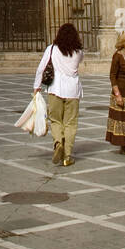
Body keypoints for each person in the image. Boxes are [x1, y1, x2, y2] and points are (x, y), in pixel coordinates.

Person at [34, 22, 83, 167]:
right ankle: (67, 156)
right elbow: (79, 61)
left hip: (55, 89)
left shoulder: (52, 49)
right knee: (70, 123)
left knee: (55, 120)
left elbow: (41, 69)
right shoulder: (79, 52)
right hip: (73, 91)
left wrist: (36, 87)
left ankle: (57, 143)